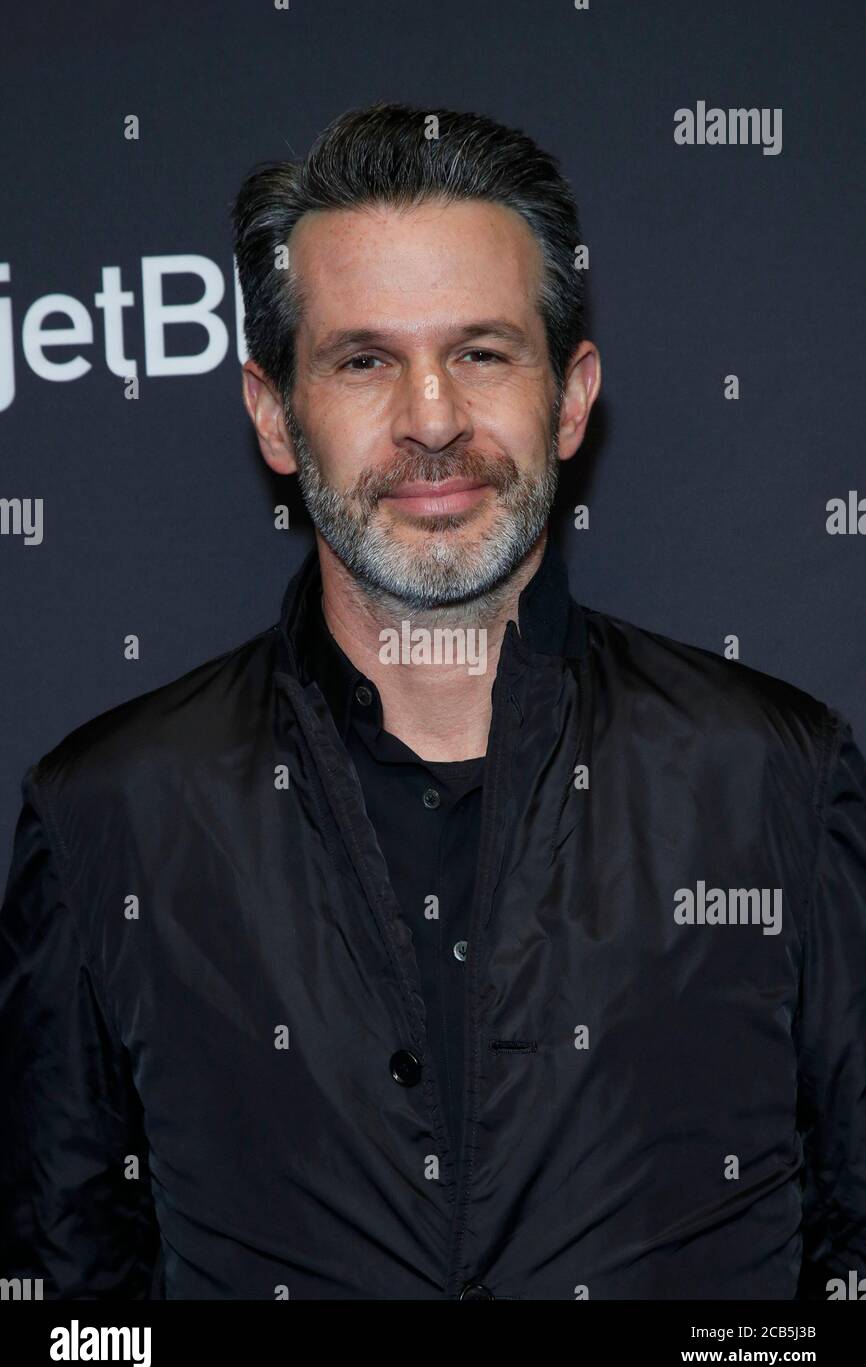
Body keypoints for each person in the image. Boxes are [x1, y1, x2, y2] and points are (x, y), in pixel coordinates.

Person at [1, 100, 864, 1301]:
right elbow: (69, 1293)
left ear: (570, 397)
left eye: (480, 353)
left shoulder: (773, 774)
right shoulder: (109, 810)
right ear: (273, 414)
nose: (431, 419)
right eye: (363, 360)